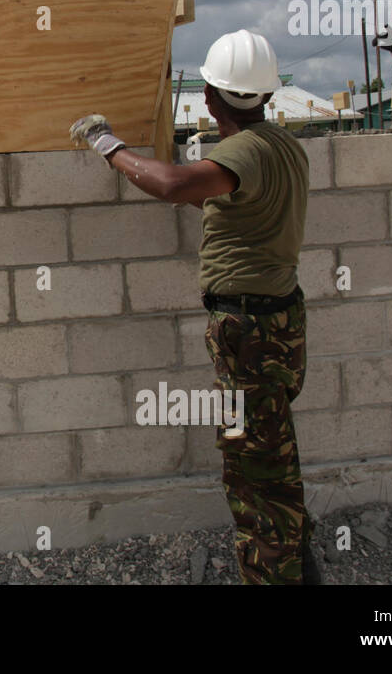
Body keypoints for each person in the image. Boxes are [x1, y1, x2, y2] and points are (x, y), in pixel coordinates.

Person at [70, 29, 318, 585]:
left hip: (248, 329)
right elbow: (228, 205)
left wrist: (110, 146)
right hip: (281, 321)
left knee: (253, 469)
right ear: (268, 95)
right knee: (272, 449)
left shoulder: (240, 153)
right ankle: (298, 556)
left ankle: (278, 571)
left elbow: (174, 185)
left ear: (209, 96)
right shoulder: (284, 148)